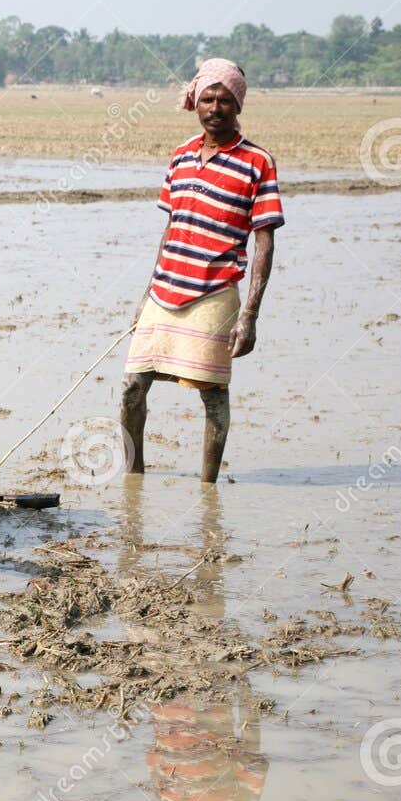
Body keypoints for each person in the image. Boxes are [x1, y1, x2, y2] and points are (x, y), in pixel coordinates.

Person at [120, 58, 283, 483]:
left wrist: (250, 316)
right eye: (208, 98)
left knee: (213, 397)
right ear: (195, 102)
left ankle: (208, 488)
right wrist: (145, 295)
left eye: (225, 100)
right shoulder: (180, 155)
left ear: (238, 106)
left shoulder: (257, 162)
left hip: (215, 292)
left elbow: (264, 239)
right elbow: (171, 227)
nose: (215, 107)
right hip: (164, 290)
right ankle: (134, 477)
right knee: (132, 389)